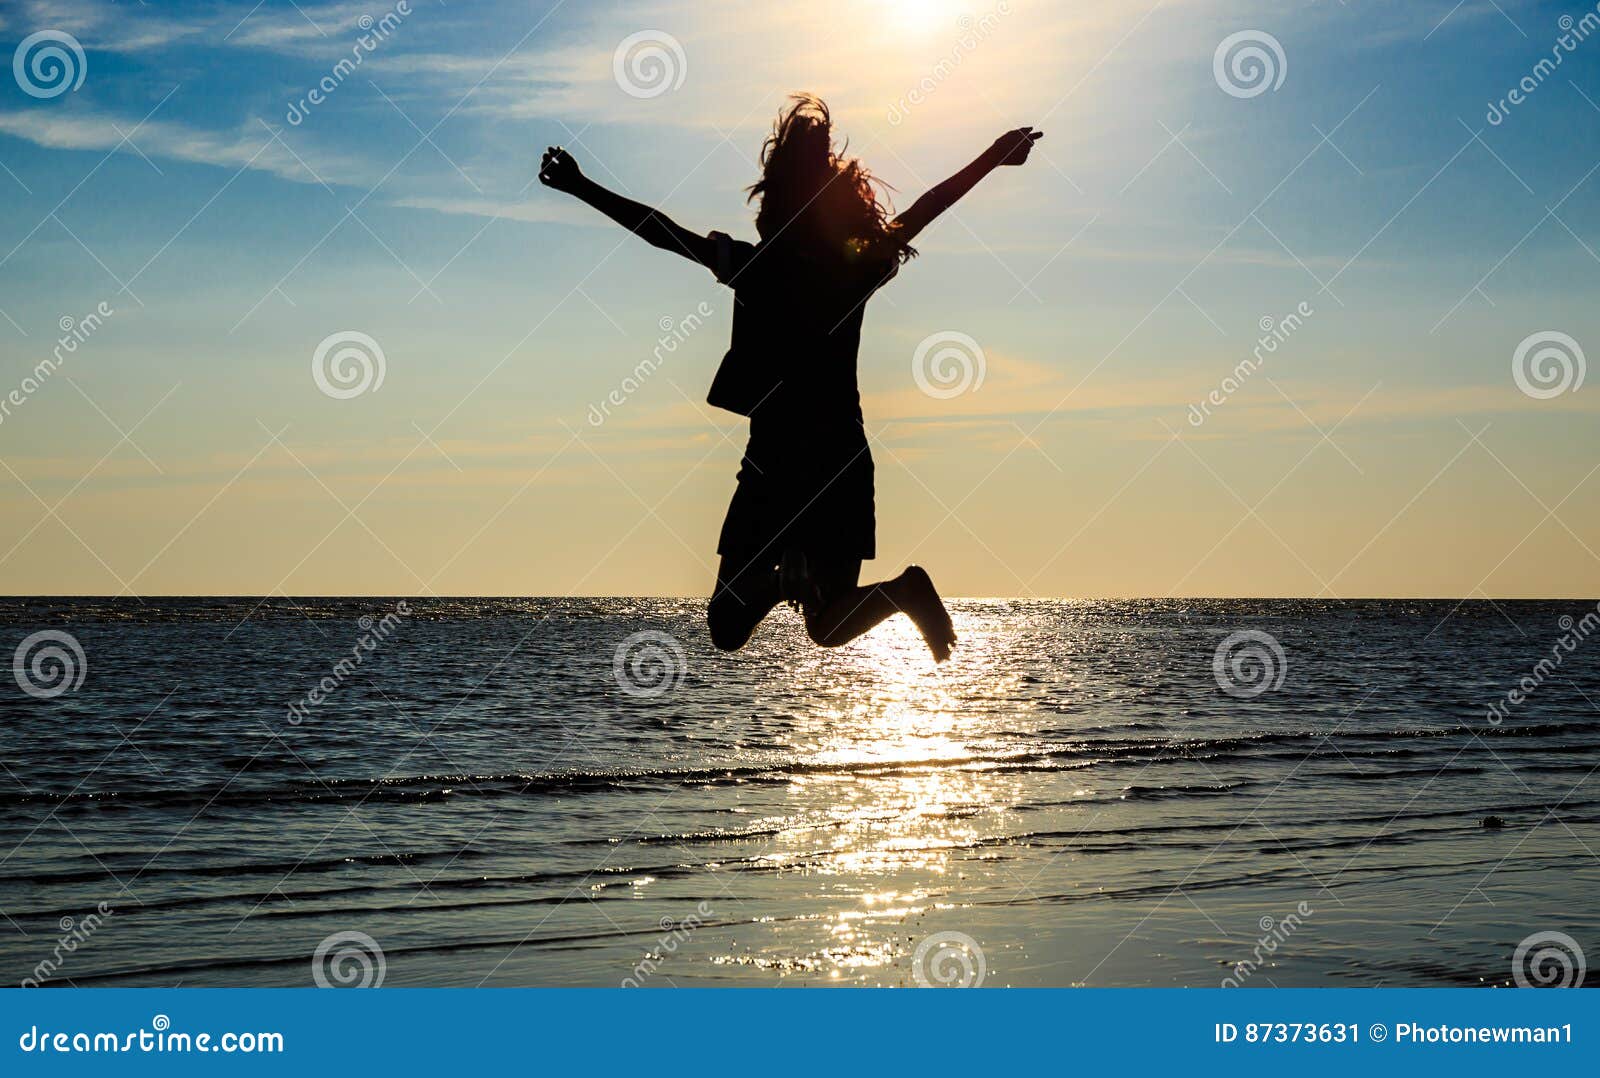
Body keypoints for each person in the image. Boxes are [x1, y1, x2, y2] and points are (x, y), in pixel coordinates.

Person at [540, 94, 1041, 661]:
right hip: (840, 459)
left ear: (773, 204)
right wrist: (993, 156)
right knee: (827, 623)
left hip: (775, 460)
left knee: (727, 625)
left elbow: (663, 231)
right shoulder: (858, 260)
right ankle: (900, 591)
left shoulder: (758, 265)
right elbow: (928, 206)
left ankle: (783, 581)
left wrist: (581, 186)